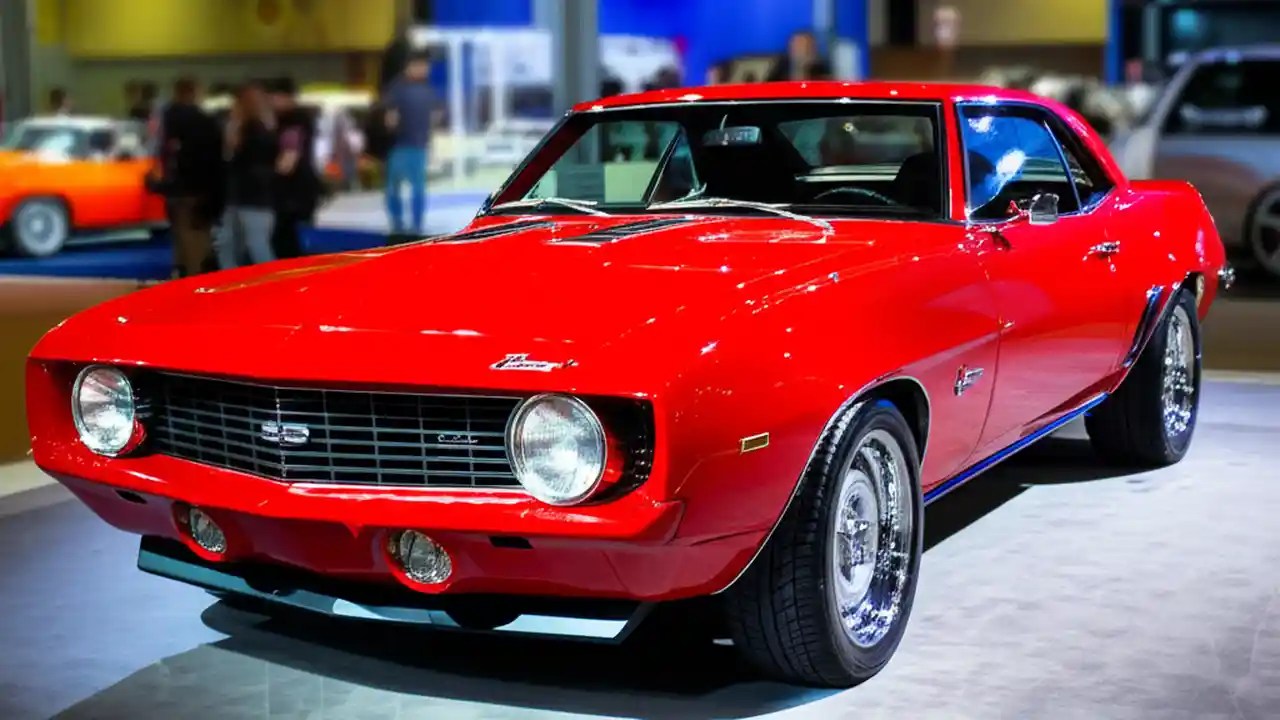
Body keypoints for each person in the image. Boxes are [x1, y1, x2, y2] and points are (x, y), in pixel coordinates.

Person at [156, 77, 225, 277]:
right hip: (198, 186)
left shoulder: (166, 119)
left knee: (179, 232)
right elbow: (213, 157)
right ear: (195, 92)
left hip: (173, 186)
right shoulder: (204, 121)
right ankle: (194, 279)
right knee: (197, 235)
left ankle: (179, 270)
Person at [216, 82, 278, 269]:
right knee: (251, 245)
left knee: (244, 246)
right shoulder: (268, 128)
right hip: (254, 196)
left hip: (247, 196)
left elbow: (229, 155)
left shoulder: (249, 130)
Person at [268, 77, 321, 260]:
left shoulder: (293, 120)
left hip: (293, 193)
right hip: (298, 190)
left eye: (274, 97)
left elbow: (288, 160)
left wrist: (267, 176)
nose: (271, 102)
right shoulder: (293, 119)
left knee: (288, 240)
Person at [383, 50, 434, 236]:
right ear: (410, 66)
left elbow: (431, 119)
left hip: (419, 147)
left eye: (426, 66)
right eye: (421, 65)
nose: (424, 69)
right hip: (400, 146)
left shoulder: (426, 89)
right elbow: (390, 118)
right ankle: (397, 224)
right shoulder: (398, 88)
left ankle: (416, 225)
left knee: (417, 188)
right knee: (395, 187)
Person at [768, 31, 832, 82]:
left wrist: (805, 68)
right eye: (797, 44)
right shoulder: (783, 63)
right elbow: (768, 85)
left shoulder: (819, 65)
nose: (800, 48)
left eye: (805, 45)